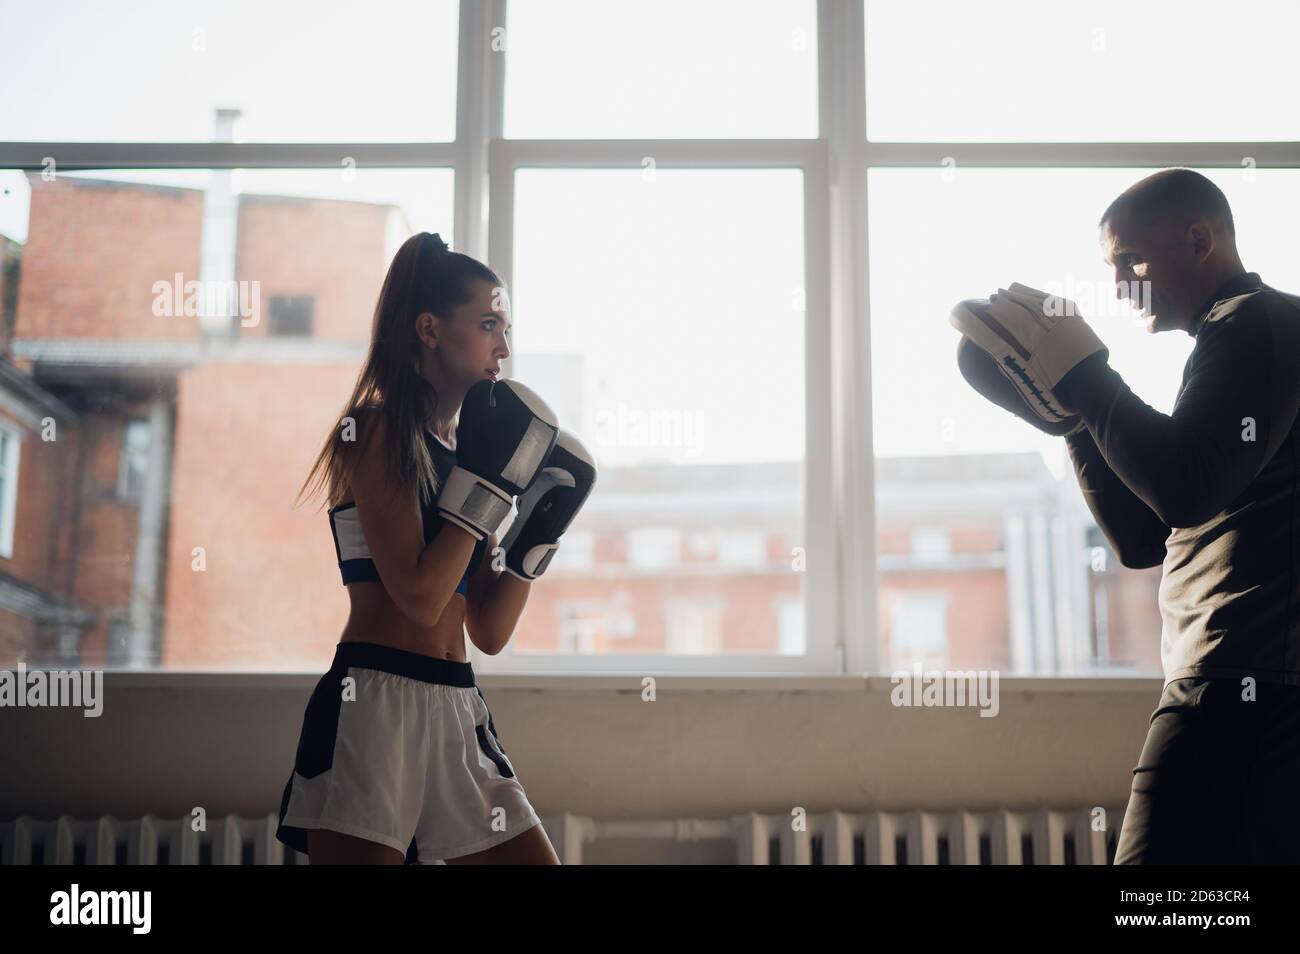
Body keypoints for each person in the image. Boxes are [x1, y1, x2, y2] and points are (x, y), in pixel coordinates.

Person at [957, 168, 1300, 863]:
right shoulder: (1230, 346)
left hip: (1245, 692)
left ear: (1198, 239)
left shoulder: (1258, 324)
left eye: (1129, 261)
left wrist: (1087, 375)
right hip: (1238, 688)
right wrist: (1077, 421)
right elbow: (1147, 538)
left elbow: (1182, 489)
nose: (1118, 287)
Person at [274, 232, 595, 864]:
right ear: (429, 329)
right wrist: (492, 490)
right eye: (487, 324)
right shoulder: (373, 431)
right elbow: (420, 597)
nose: (504, 346)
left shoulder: (472, 450)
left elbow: (489, 628)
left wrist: (540, 532)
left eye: (506, 328)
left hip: (457, 701)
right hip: (375, 703)